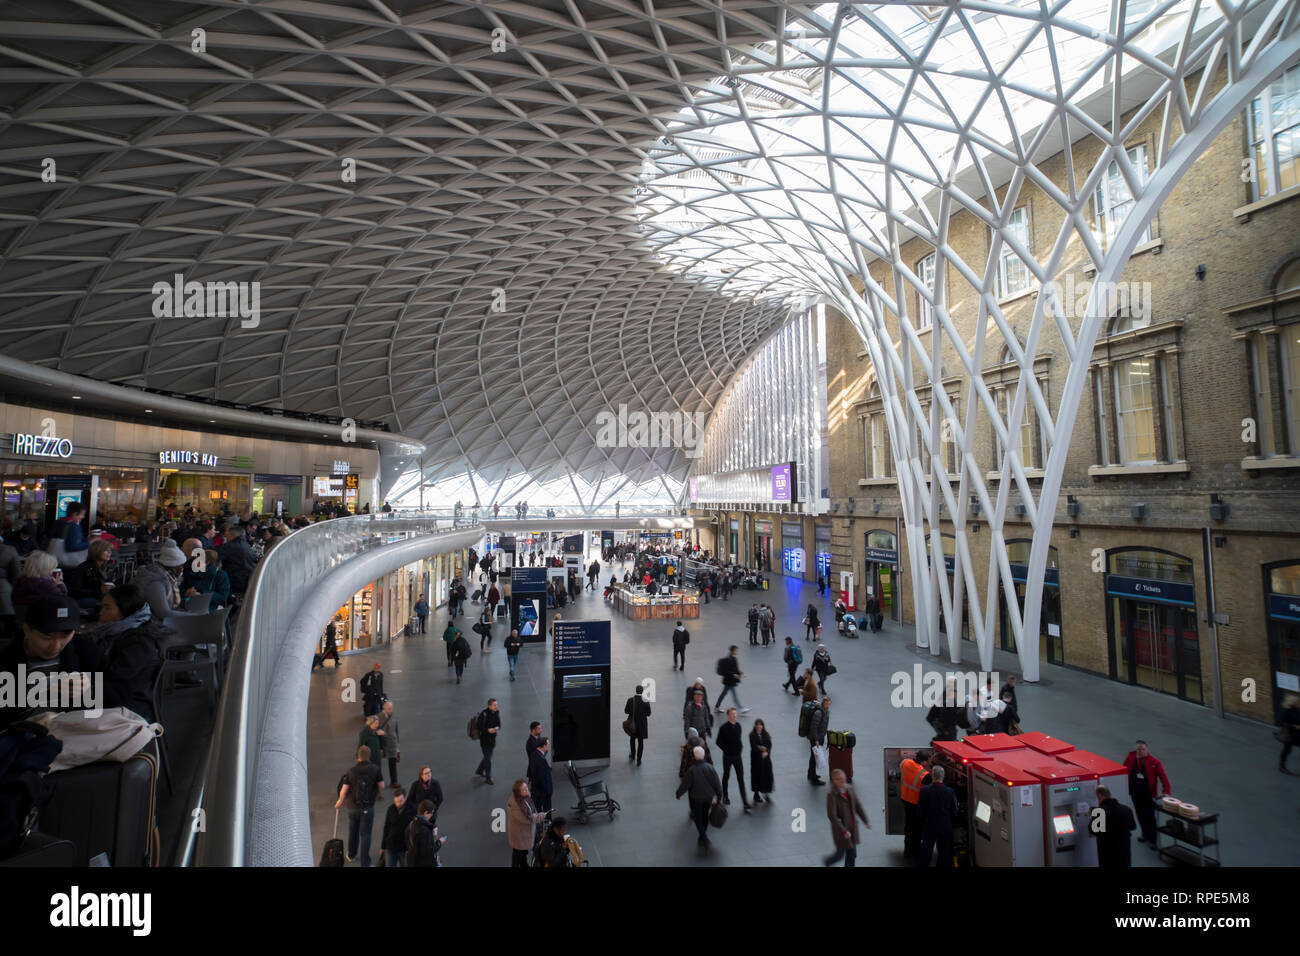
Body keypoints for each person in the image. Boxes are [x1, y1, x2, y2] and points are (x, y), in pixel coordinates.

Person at [0, 594, 104, 731]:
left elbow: (114, 697)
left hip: (73, 732)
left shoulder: (87, 652)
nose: (55, 647)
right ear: (26, 630)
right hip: (21, 738)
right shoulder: (5, 660)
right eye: (46, 637)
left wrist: (89, 689)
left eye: (65, 636)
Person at [334, 745, 384, 866]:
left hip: (352, 807)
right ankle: (365, 863)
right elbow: (381, 785)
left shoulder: (351, 771)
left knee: (353, 831)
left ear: (358, 757)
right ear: (369, 756)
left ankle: (351, 854)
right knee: (365, 834)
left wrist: (340, 801)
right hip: (367, 807)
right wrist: (375, 798)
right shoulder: (375, 769)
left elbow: (344, 789)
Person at [675, 745, 724, 850]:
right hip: (708, 797)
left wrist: (678, 794)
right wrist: (719, 796)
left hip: (696, 797)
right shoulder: (710, 768)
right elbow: (717, 783)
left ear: (694, 756)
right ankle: (703, 836)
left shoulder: (691, 770)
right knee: (705, 815)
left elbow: (686, 785)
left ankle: (703, 836)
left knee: (697, 817)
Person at [1123, 740, 1171, 847]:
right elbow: (1123, 771)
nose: (1140, 752)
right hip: (1135, 794)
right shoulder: (1130, 758)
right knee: (1140, 815)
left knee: (1150, 817)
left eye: (1143, 749)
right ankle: (1145, 834)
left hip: (1149, 795)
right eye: (1138, 749)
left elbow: (1163, 777)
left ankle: (1153, 840)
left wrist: (1166, 791)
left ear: (1147, 749)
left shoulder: (1155, 762)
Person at [823, 768, 871, 866]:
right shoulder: (831, 795)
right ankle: (828, 861)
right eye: (839, 779)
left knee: (852, 854)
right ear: (834, 781)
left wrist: (866, 820)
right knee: (840, 855)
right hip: (842, 831)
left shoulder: (849, 789)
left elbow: (858, 805)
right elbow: (832, 816)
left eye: (843, 777)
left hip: (852, 828)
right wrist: (843, 830)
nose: (842, 780)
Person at [130, 540, 187, 620]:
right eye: (181, 566)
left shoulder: (165, 576)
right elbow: (162, 613)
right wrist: (192, 616)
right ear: (174, 567)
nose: (182, 569)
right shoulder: (156, 583)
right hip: (150, 626)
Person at [916, 763, 957, 867]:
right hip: (945, 826)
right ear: (943, 776)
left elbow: (921, 811)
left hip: (929, 826)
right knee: (943, 853)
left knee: (926, 851)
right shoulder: (950, 792)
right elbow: (954, 811)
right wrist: (953, 824)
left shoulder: (924, 791)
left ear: (932, 776)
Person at [1090, 784, 1137, 867]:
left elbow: (1093, 831)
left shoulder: (1099, 812)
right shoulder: (1126, 809)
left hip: (1107, 852)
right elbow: (1133, 826)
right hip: (1124, 851)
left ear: (1100, 795)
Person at [715, 707, 752, 812]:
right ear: (728, 715)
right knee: (726, 775)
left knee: (740, 778)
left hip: (737, 757)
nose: (735, 716)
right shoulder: (723, 728)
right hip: (727, 757)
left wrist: (740, 748)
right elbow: (718, 742)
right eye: (732, 714)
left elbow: (738, 739)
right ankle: (725, 796)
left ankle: (745, 802)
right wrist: (726, 750)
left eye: (735, 714)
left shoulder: (738, 726)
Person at [899, 749, 931, 863]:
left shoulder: (904, 763)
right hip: (915, 803)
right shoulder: (924, 774)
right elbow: (932, 782)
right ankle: (916, 852)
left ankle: (907, 851)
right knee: (917, 830)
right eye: (928, 761)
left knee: (908, 828)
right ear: (923, 762)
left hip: (904, 798)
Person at [507, 780, 548, 867]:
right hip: (520, 835)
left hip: (523, 834)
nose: (527, 790)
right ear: (518, 792)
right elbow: (527, 819)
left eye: (526, 787)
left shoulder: (522, 798)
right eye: (524, 789)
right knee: (518, 853)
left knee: (522, 852)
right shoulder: (516, 805)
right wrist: (540, 816)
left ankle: (524, 864)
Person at [67, 539, 115, 611]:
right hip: (84, 599)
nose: (109, 552)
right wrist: (99, 591)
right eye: (106, 550)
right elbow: (74, 591)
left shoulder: (107, 567)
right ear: (97, 551)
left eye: (110, 550)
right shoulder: (84, 567)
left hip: (100, 597)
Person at [217, 524, 257, 597]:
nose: (226, 537)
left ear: (232, 535)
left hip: (235, 584)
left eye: (228, 535)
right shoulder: (247, 546)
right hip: (246, 582)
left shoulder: (230, 546)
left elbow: (214, 554)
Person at [404, 800, 445, 867]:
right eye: (431, 813)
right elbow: (427, 852)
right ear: (425, 813)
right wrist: (439, 842)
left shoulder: (410, 825)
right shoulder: (424, 830)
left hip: (412, 862)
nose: (432, 815)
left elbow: (408, 844)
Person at [714, 645, 748, 714]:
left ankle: (717, 707)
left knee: (723, 694)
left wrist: (741, 674)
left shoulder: (734, 659)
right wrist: (733, 674)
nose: (737, 651)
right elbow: (727, 671)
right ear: (732, 651)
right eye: (736, 650)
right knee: (734, 695)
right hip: (728, 681)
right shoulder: (727, 659)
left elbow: (736, 669)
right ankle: (741, 708)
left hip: (731, 681)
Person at [379, 786, 407, 866]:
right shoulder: (391, 809)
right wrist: (383, 846)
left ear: (405, 798)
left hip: (404, 848)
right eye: (396, 801)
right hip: (391, 846)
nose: (398, 804)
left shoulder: (412, 809)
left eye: (400, 801)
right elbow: (386, 828)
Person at [475, 697, 500, 784]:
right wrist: (488, 730)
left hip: (492, 739)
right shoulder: (484, 714)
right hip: (485, 740)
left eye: (497, 704)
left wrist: (497, 727)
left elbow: (498, 723)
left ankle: (479, 770)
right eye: (495, 705)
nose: (496, 706)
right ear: (489, 706)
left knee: (487, 756)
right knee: (488, 758)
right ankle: (488, 778)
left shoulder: (496, 712)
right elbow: (479, 727)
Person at [749, 718, 774, 805]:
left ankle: (766, 793)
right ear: (755, 726)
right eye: (757, 725)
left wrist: (766, 752)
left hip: (765, 760)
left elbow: (769, 745)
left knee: (767, 776)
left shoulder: (766, 734)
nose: (759, 727)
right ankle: (756, 794)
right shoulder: (752, 735)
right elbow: (754, 747)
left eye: (760, 725)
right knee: (757, 776)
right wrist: (763, 750)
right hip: (756, 760)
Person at [806, 695, 829, 785]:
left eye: (829, 704)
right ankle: (813, 778)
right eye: (827, 704)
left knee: (813, 757)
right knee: (815, 758)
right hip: (815, 739)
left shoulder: (825, 712)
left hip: (819, 738)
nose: (828, 706)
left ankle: (811, 774)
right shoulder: (819, 713)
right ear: (823, 703)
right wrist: (816, 740)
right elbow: (814, 727)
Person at [625, 684, 651, 765]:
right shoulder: (645, 701)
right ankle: (639, 760)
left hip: (632, 725)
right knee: (641, 742)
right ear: (642, 691)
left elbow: (626, 711)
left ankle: (633, 755)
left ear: (636, 691)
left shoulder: (630, 700)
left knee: (632, 740)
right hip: (642, 725)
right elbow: (648, 713)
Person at [377, 699, 400, 787]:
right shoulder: (378, 717)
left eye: (392, 708)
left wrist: (397, 744)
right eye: (389, 708)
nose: (391, 710)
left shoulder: (394, 717)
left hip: (392, 744)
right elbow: (374, 729)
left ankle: (394, 781)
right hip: (383, 745)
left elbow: (396, 730)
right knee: (378, 765)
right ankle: (379, 782)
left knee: (393, 763)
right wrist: (380, 747)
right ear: (384, 708)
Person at [527, 736, 553, 813]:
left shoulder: (534, 754)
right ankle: (547, 823)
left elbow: (531, 770)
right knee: (547, 811)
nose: (549, 746)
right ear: (544, 746)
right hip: (543, 791)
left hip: (536, 790)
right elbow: (540, 777)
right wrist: (548, 791)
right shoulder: (540, 759)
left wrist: (530, 781)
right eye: (548, 744)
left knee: (537, 809)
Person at [1278, 694, 1300, 774]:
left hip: (1298, 734)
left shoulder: (1296, 709)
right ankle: (1282, 766)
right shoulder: (1286, 710)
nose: (1298, 702)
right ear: (1292, 702)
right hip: (1289, 734)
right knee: (1287, 750)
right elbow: (1280, 722)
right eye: (1297, 701)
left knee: (1288, 750)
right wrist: (1294, 726)